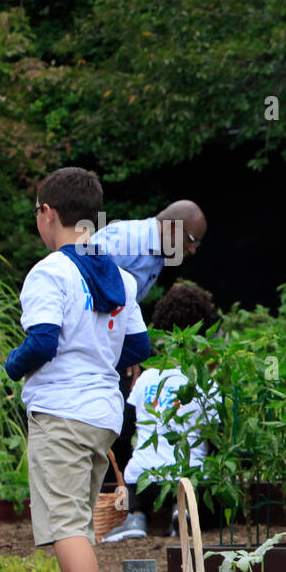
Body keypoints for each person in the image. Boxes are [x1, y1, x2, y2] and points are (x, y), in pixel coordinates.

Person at [4, 167, 150, 572]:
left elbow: (43, 340)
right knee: (80, 523)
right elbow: (137, 347)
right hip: (104, 416)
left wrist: (11, 365)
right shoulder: (120, 277)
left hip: (62, 412)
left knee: (65, 524)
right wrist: (98, 357)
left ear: (47, 213)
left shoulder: (50, 271)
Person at [88, 200, 208, 487]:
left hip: (109, 349)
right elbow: (80, 280)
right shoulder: (125, 240)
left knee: (117, 416)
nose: (191, 250)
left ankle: (114, 500)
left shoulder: (155, 257)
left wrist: (128, 348)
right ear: (170, 227)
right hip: (89, 349)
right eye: (191, 241)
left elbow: (125, 307)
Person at [102, 283, 221, 542]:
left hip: (144, 481)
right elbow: (215, 440)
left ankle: (136, 516)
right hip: (191, 480)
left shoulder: (148, 377)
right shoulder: (205, 381)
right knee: (204, 475)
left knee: (139, 464)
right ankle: (185, 510)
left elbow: (126, 431)